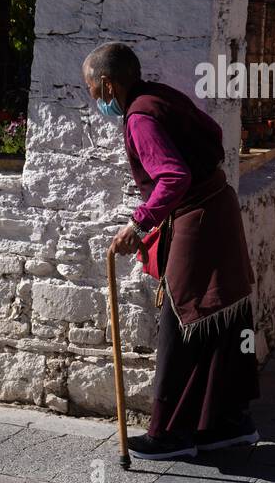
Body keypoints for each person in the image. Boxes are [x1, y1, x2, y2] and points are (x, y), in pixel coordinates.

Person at [82, 42, 260, 461]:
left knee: (183, 317)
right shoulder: (161, 98)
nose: (93, 99)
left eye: (92, 89)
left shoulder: (141, 117)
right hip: (216, 209)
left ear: (108, 84)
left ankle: (170, 432)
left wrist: (139, 223)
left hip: (198, 220)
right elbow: (212, 137)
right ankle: (226, 424)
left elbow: (174, 176)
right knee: (219, 317)